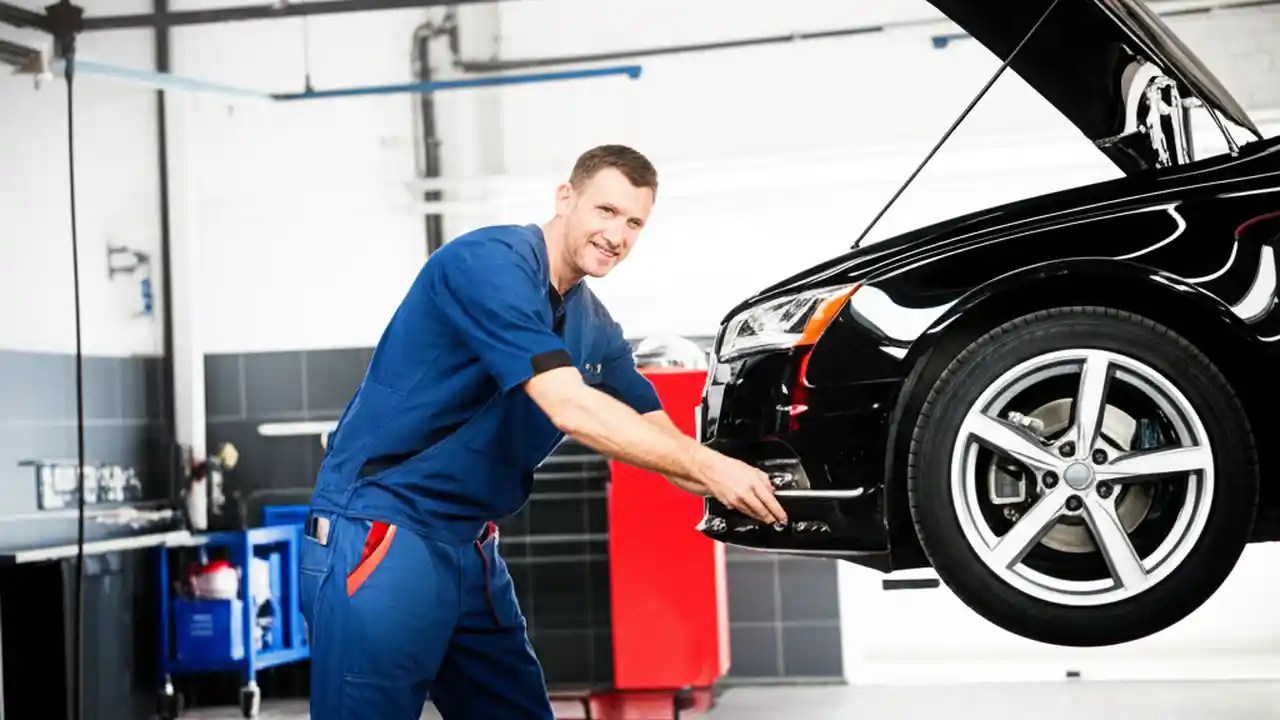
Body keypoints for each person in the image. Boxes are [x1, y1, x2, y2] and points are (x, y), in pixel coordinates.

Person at [299, 144, 787, 719]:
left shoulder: (594, 325)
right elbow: (567, 406)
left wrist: (776, 491)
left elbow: (667, 442)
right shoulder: (488, 264)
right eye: (605, 211)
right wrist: (711, 471)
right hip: (384, 530)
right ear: (565, 198)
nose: (617, 234)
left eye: (634, 222)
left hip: (470, 547)